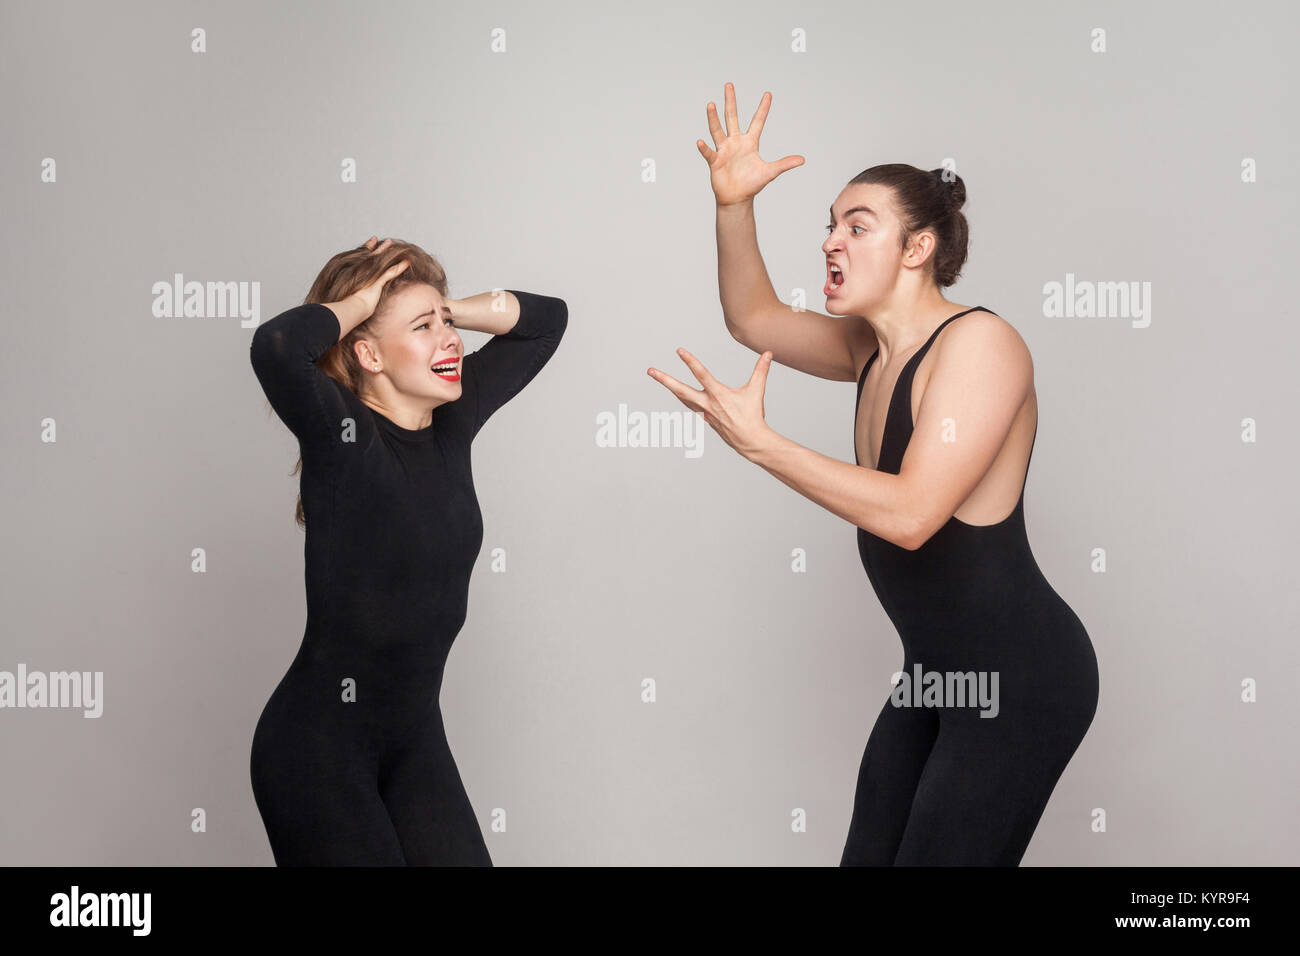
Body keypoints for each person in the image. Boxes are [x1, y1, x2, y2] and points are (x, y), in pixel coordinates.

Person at [648, 83, 1098, 865]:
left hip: (1021, 681)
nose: (831, 241)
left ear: (917, 248)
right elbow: (753, 318)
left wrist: (764, 445)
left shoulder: (980, 345)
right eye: (830, 225)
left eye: (859, 227)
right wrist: (732, 205)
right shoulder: (868, 349)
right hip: (932, 678)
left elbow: (912, 514)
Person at [248, 236, 567, 865]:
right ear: (367, 352)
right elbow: (279, 345)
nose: (448, 340)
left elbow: (546, 322)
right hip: (317, 753)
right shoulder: (343, 436)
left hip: (415, 740)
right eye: (422, 329)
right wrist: (364, 298)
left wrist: (443, 307)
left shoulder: (453, 418)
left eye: (445, 325)